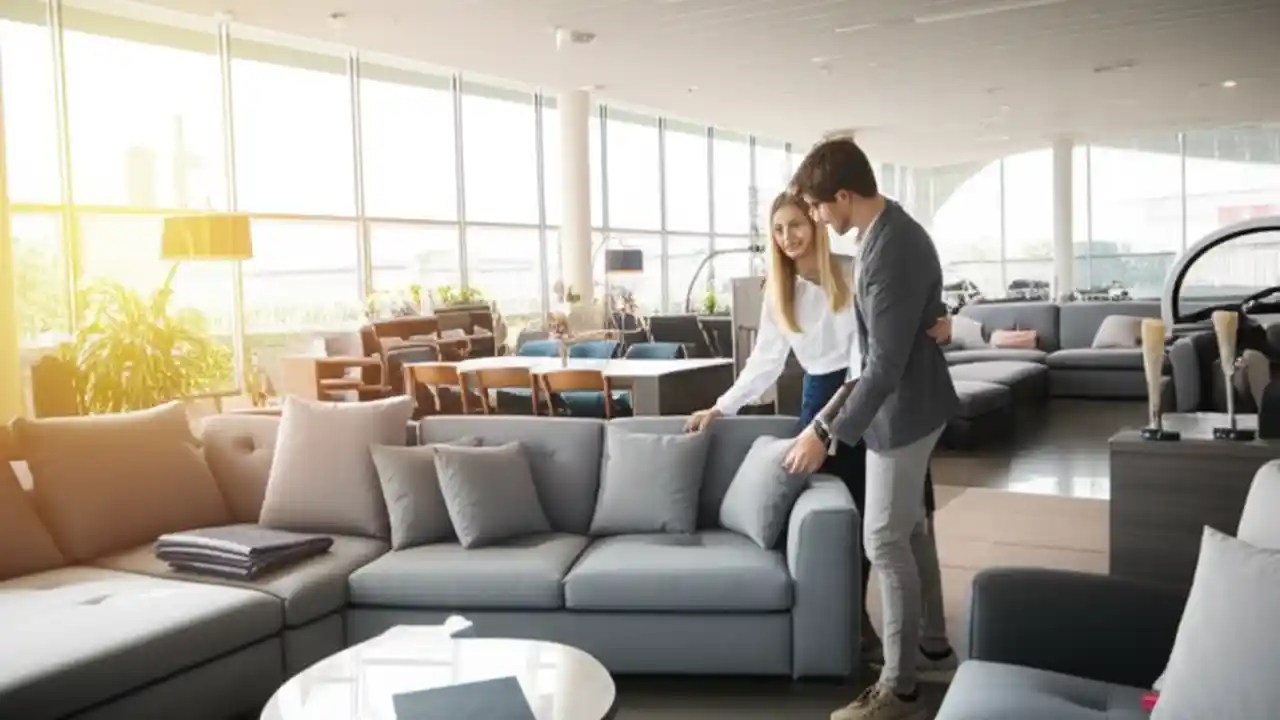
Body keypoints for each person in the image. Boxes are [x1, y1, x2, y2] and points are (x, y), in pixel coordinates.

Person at [683, 190, 955, 673]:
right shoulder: (777, 290)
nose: (788, 237)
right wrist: (720, 407)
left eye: (795, 224)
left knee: (906, 521)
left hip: (871, 396)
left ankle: (930, 639)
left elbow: (877, 353)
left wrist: (943, 320)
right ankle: (856, 624)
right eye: (778, 230)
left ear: (816, 220)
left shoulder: (856, 270)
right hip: (820, 399)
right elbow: (764, 364)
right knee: (840, 520)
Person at [788, 138, 960, 720]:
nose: (817, 218)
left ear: (844, 195)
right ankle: (932, 643)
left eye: (818, 207)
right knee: (909, 531)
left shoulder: (889, 251)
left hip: (904, 411)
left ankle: (899, 688)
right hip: (911, 402)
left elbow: (882, 366)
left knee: (883, 539)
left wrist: (831, 433)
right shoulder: (885, 236)